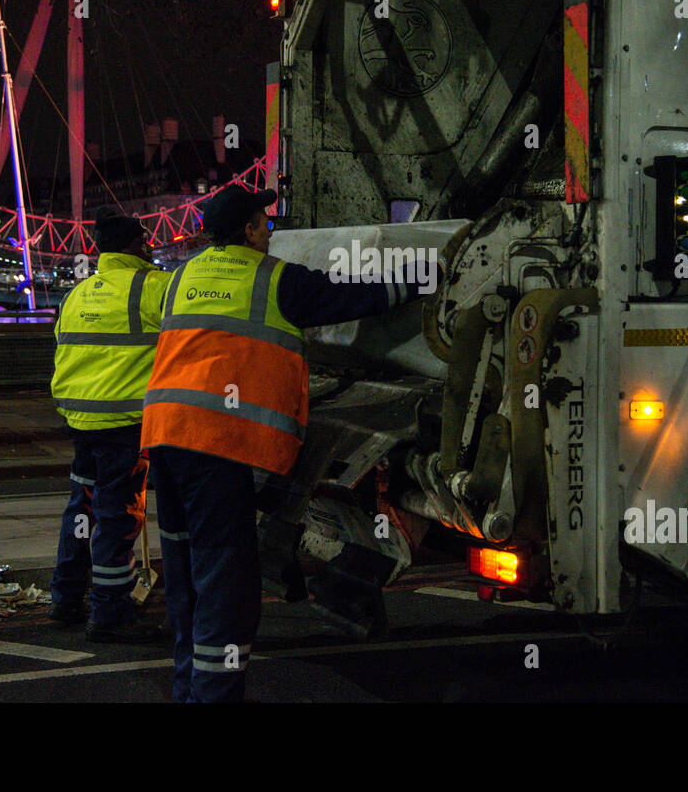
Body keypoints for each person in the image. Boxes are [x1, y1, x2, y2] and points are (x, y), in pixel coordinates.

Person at [141, 186, 438, 702]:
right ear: (252, 229)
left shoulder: (182, 277)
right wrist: (425, 278)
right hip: (216, 448)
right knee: (226, 582)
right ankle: (215, 695)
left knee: (187, 574)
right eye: (264, 222)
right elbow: (354, 295)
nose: (269, 230)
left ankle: (188, 689)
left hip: (166, 439)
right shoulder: (273, 279)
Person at [49, 206, 170, 643]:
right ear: (138, 245)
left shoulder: (77, 294)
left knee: (80, 507)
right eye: (147, 241)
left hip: (80, 420)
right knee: (117, 514)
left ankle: (64, 599)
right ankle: (110, 611)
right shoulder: (154, 287)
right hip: (125, 422)